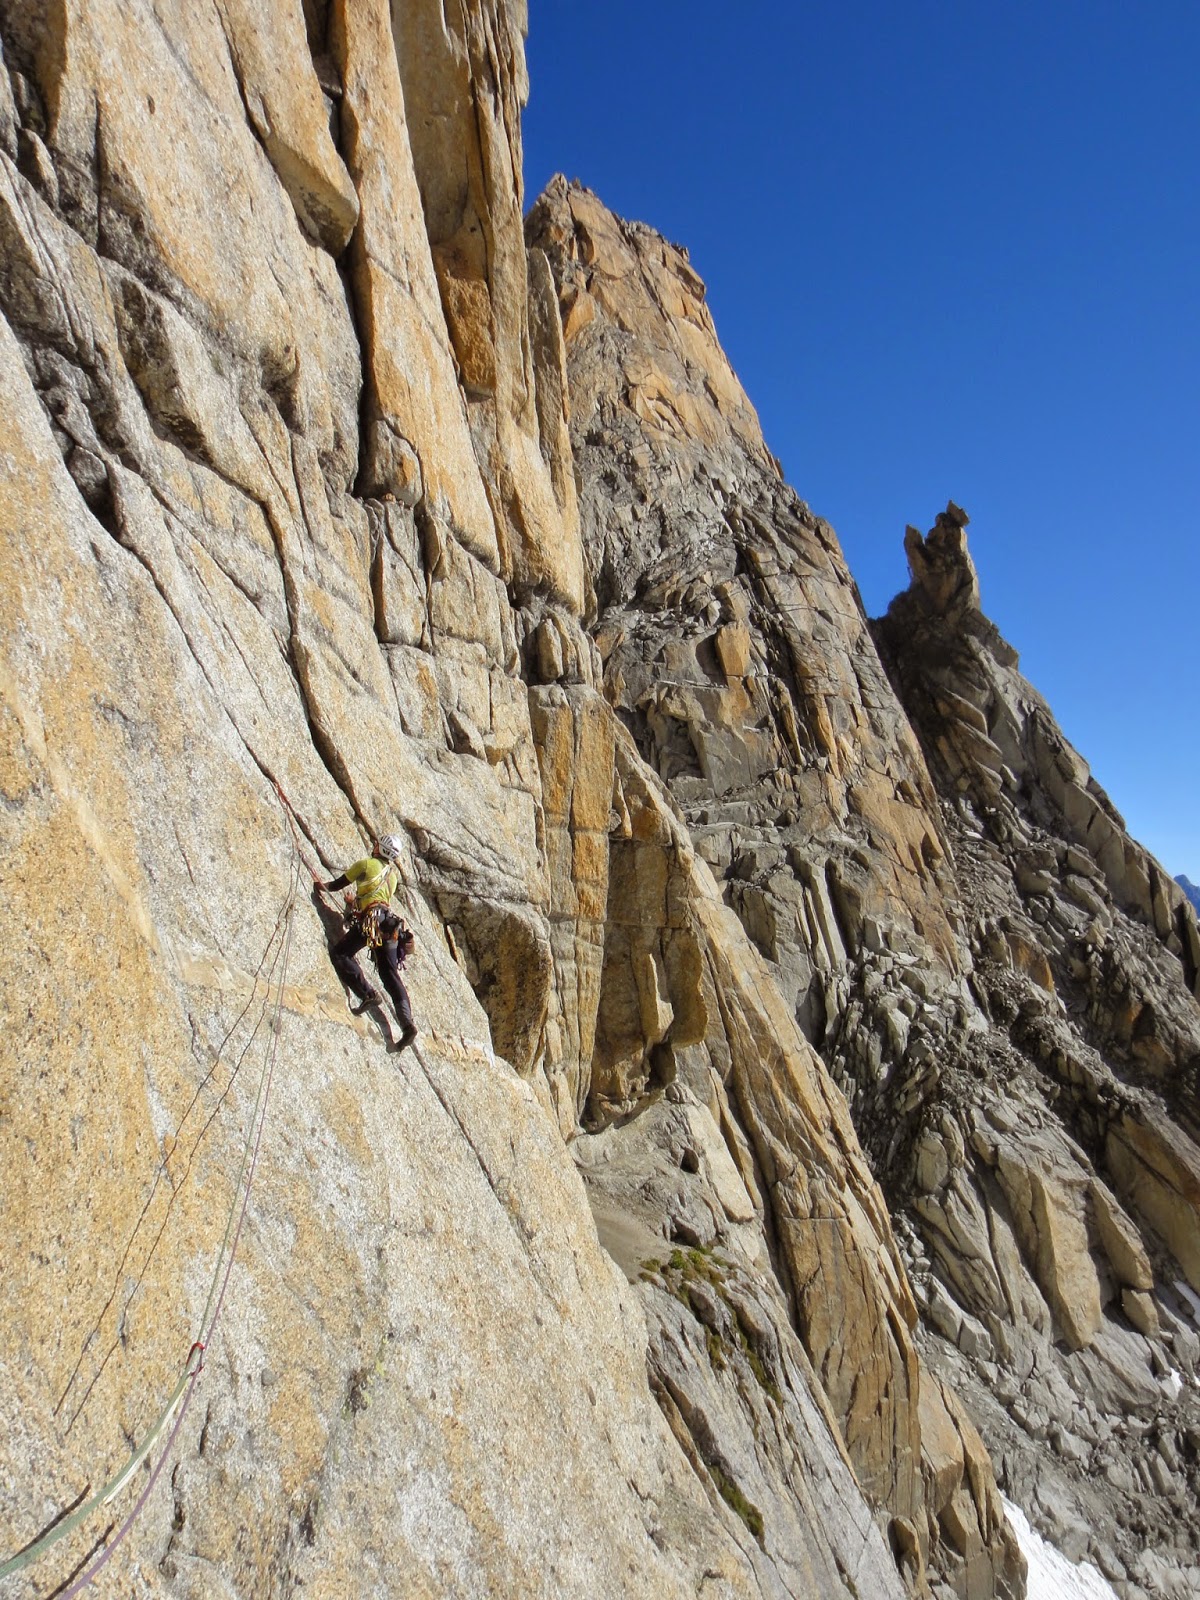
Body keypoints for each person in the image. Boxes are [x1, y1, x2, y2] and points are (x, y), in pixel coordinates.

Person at [322, 834, 417, 1053]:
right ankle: (407, 1024)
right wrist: (353, 905)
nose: (373, 845)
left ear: (379, 848)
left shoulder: (365, 864)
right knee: (390, 975)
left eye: (376, 844)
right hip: (390, 926)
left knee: (341, 954)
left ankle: (367, 993)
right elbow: (378, 898)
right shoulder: (392, 877)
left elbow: (338, 884)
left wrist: (321, 885)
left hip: (372, 921)